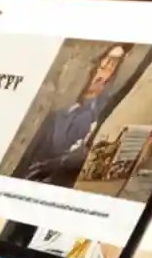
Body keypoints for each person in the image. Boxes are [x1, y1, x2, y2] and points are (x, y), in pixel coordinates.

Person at [11, 43, 132, 188]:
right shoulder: (59, 114)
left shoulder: (98, 115)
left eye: (112, 62)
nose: (103, 65)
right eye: (104, 59)